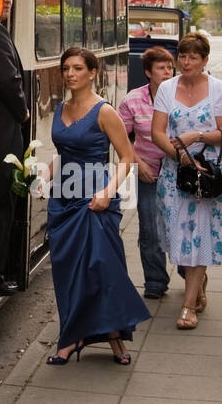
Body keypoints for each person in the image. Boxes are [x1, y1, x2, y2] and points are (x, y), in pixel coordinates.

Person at [47, 47, 150, 364]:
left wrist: (107, 192)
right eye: (66, 68)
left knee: (103, 269)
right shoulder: (60, 108)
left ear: (92, 73)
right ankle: (71, 336)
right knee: (68, 272)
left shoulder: (104, 111)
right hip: (63, 198)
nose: (70, 74)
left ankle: (116, 338)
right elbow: (63, 152)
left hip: (95, 198)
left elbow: (127, 158)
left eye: (78, 68)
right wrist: (40, 174)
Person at [151, 32, 222, 330]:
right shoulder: (167, 88)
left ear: (205, 60)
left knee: (200, 237)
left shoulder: (217, 89)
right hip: (174, 176)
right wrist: (178, 156)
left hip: (206, 177)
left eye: (193, 57)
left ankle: (187, 306)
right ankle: (198, 282)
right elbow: (157, 131)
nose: (186, 61)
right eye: (182, 56)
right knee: (178, 240)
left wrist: (198, 136)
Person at [118, 46, 175, 297]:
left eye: (170, 67)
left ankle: (189, 271)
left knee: (180, 227)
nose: (167, 72)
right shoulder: (133, 100)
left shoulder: (181, 97)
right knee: (150, 228)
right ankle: (155, 281)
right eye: (161, 68)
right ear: (148, 72)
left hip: (179, 174)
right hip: (148, 172)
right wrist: (137, 162)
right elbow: (120, 137)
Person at [0, 0, 28, 296]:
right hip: (5, 137)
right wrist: (24, 111)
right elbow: (9, 79)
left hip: (1, 134)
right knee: (3, 207)